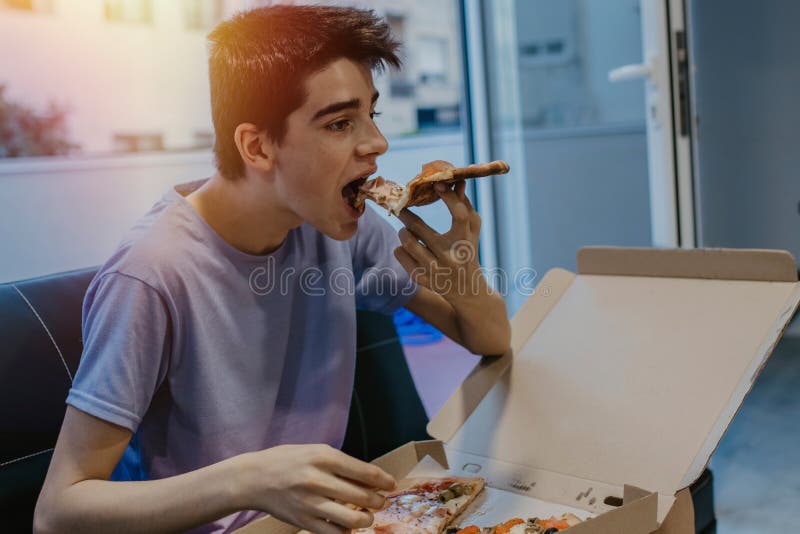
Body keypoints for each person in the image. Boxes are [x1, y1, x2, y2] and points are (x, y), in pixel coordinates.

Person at [33, 5, 511, 533]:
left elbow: (491, 339)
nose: (377, 144)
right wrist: (247, 480)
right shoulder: (151, 274)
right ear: (257, 146)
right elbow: (58, 512)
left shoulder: (334, 223)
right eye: (339, 123)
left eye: (372, 114)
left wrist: (465, 279)